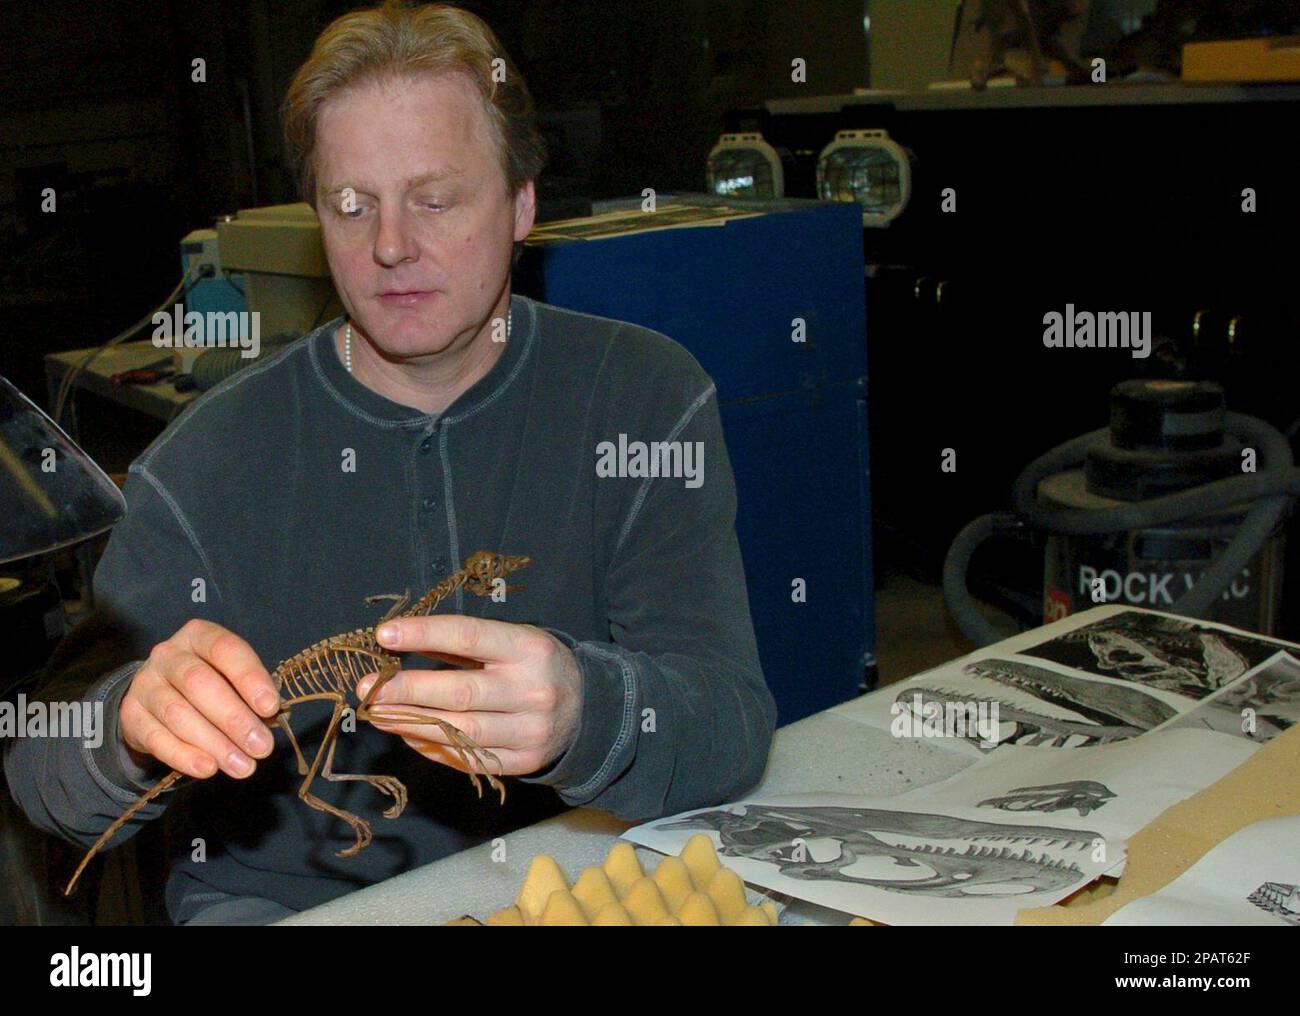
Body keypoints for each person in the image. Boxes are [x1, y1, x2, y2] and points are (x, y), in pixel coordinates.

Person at [4, 0, 775, 925]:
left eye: (436, 198)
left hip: (569, 875)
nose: (391, 245)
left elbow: (730, 726)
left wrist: (591, 711)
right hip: (281, 904)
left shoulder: (643, 396)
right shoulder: (200, 462)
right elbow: (40, 759)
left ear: (523, 202)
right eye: (352, 204)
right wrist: (130, 728)